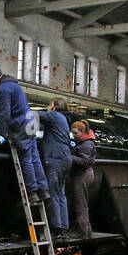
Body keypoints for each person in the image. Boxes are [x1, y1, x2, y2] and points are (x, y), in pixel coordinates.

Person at [0, 64, 49, 205]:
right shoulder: (12, 84)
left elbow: (5, 113)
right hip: (30, 122)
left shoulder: (3, 88)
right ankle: (43, 190)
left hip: (20, 125)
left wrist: (3, 132)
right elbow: (6, 96)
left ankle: (32, 193)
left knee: (25, 159)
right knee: (35, 158)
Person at [38, 99, 73, 235]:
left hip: (55, 158)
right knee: (60, 193)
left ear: (54, 106)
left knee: (53, 192)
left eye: (49, 104)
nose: (47, 106)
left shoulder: (54, 116)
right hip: (65, 158)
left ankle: (56, 228)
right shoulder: (64, 119)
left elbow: (30, 114)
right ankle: (63, 227)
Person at [69, 120, 96, 238]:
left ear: (83, 131)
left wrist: (70, 157)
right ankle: (85, 230)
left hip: (83, 175)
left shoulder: (87, 144)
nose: (74, 136)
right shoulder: (85, 142)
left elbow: (85, 161)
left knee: (81, 203)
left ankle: (83, 231)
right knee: (81, 202)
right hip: (84, 174)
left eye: (76, 134)